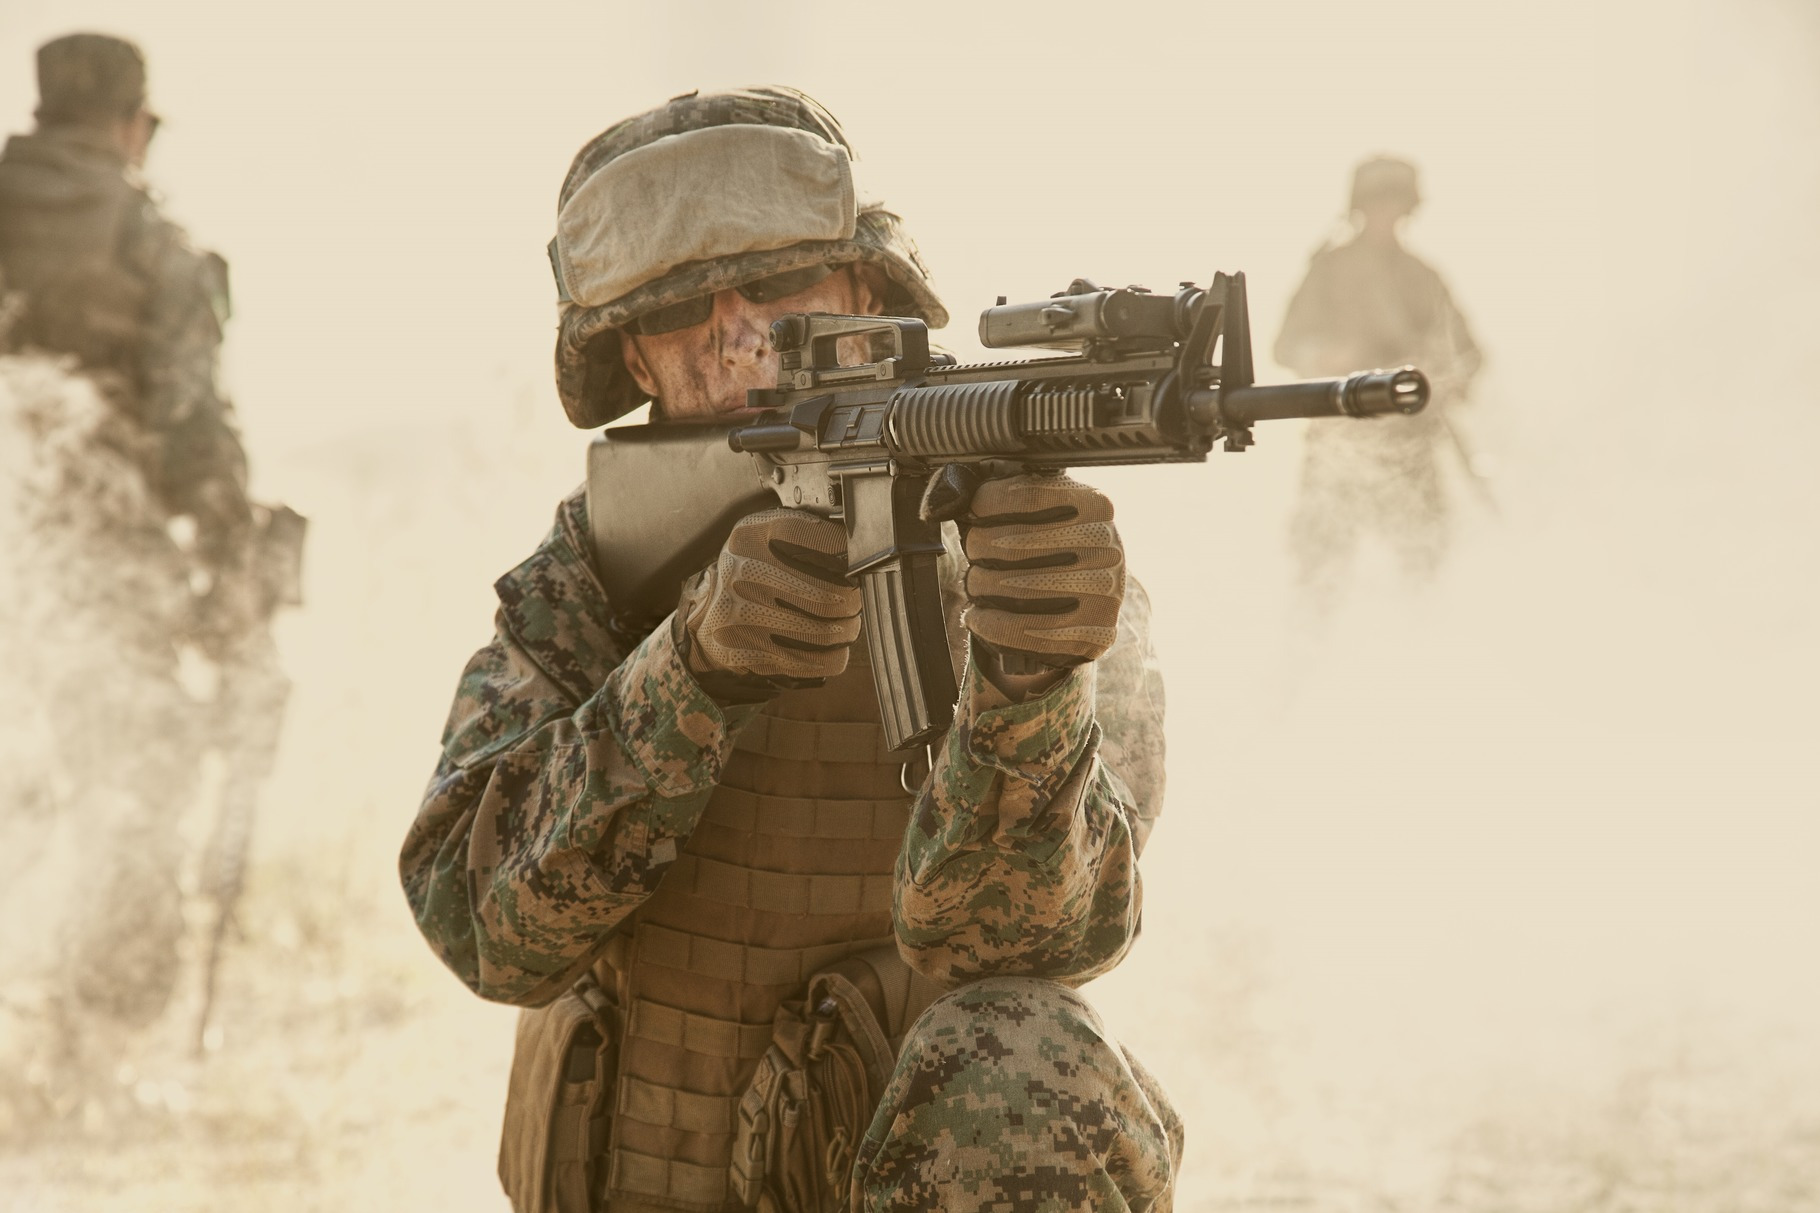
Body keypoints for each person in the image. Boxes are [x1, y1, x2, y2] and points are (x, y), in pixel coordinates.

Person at [400, 87, 1182, 1213]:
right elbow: (480, 932)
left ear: (867, 290)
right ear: (633, 358)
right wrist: (688, 678)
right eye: (682, 314)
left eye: (776, 287)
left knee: (1014, 1051)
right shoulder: (594, 573)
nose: (737, 337)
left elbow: (1042, 934)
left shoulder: (1028, 558)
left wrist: (1024, 682)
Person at [0, 32, 297, 1099]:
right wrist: (231, 574)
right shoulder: (150, 243)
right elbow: (190, 438)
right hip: (91, 575)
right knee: (133, 782)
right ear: (132, 126)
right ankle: (93, 1068)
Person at [1275, 155, 1483, 613]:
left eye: (1396, 202)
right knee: (1318, 581)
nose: (1387, 212)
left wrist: (1444, 376)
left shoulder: (1424, 278)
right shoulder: (1329, 271)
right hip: (1339, 441)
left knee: (1422, 576)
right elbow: (1285, 345)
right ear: (1360, 207)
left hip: (1411, 447)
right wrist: (1327, 356)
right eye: (1377, 201)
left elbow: (1471, 358)